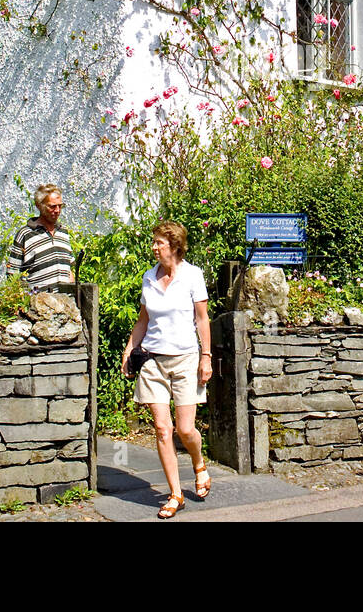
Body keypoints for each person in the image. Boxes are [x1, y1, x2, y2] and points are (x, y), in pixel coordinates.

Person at [120, 221, 212, 519]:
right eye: (154, 242)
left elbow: (202, 320)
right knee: (163, 428)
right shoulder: (149, 277)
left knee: (185, 429)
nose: (154, 247)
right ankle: (175, 494)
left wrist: (206, 356)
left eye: (159, 242)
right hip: (153, 361)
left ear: (174, 246)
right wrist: (128, 350)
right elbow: (143, 320)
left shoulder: (192, 275)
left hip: (185, 359)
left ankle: (198, 464)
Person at [6, 184, 75, 292]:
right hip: (39, 305)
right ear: (39, 205)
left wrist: (74, 294)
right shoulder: (25, 234)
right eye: (52, 206)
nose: (57, 210)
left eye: (60, 206)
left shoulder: (63, 232)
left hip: (65, 305)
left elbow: (68, 270)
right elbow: (12, 275)